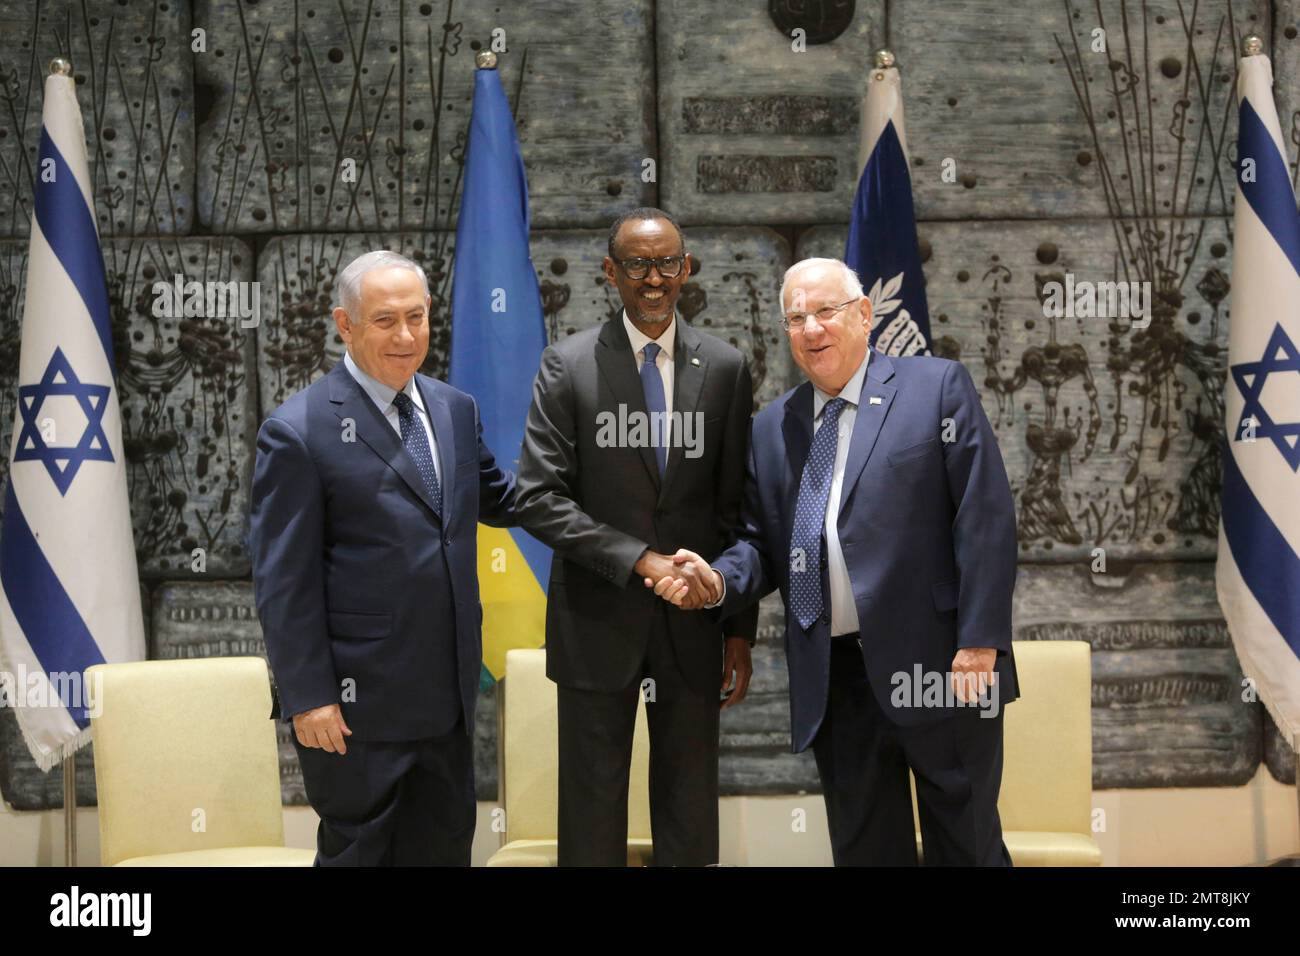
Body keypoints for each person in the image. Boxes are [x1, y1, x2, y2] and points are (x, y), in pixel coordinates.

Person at [652, 257, 1019, 866]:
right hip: (837, 678)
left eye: (826, 311)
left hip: (943, 666)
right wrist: (716, 581)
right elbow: (759, 545)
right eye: (796, 318)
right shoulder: (772, 429)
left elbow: (984, 518)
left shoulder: (936, 387)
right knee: (865, 850)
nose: (812, 329)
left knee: (967, 844)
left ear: (866, 315)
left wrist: (979, 644)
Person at [248, 250, 517, 866]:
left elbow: (501, 499)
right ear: (344, 324)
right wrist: (309, 695)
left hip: (446, 700)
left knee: (444, 851)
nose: (405, 335)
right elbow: (282, 580)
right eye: (385, 320)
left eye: (417, 317)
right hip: (353, 709)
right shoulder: (298, 430)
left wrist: (611, 505)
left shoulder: (455, 409)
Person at [515, 207, 758, 866]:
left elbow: (737, 511)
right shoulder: (568, 366)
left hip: (696, 625)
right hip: (597, 620)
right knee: (591, 818)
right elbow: (536, 497)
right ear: (611, 272)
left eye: (666, 263)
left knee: (689, 813)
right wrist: (642, 561)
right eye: (637, 265)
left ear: (686, 269)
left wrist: (737, 627)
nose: (654, 279)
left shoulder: (729, 368)